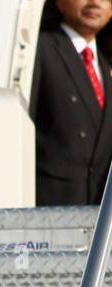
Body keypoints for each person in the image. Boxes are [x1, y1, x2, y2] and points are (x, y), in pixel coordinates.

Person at [30, 0, 112, 205]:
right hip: (51, 209)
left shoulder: (104, 67)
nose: (94, 3)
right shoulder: (40, 50)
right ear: (59, 3)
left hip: (96, 213)